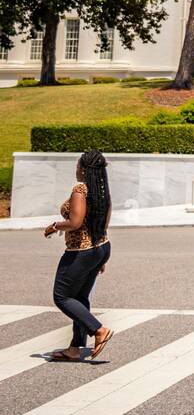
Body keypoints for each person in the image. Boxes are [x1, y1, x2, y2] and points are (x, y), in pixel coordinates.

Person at [43, 149, 113, 362]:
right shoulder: (101, 189)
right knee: (80, 298)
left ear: (83, 169)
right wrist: (100, 258)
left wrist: (55, 226)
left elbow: (75, 222)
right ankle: (75, 348)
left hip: (81, 251)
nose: (76, 168)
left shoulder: (81, 189)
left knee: (62, 296)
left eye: (77, 165)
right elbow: (106, 218)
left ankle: (98, 330)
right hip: (100, 246)